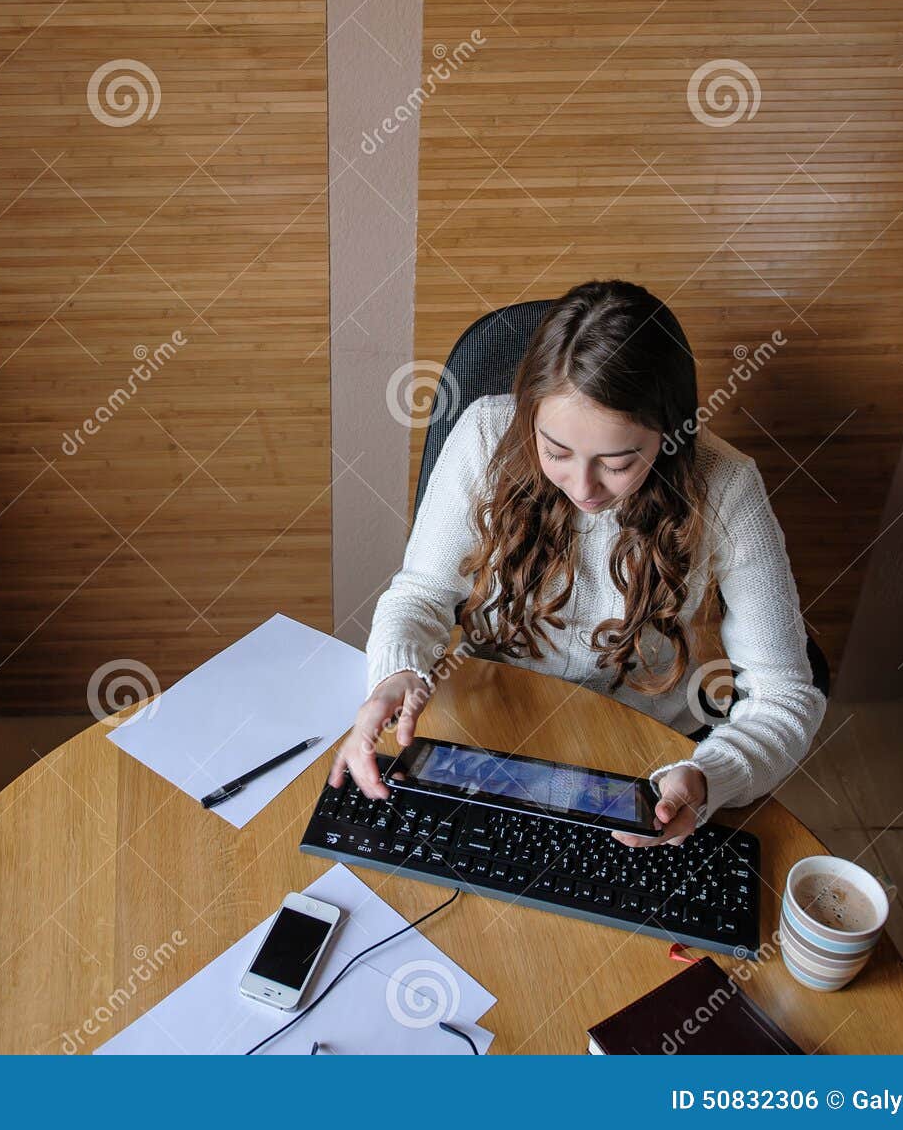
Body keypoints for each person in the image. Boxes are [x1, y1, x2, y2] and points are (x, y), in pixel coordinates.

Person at [330, 279, 827, 847]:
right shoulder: (485, 434)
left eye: (617, 462)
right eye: (556, 452)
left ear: (669, 434)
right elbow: (421, 595)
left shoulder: (727, 484)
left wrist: (708, 777)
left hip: (638, 766)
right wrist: (398, 672)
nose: (583, 488)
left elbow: (786, 694)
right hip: (491, 733)